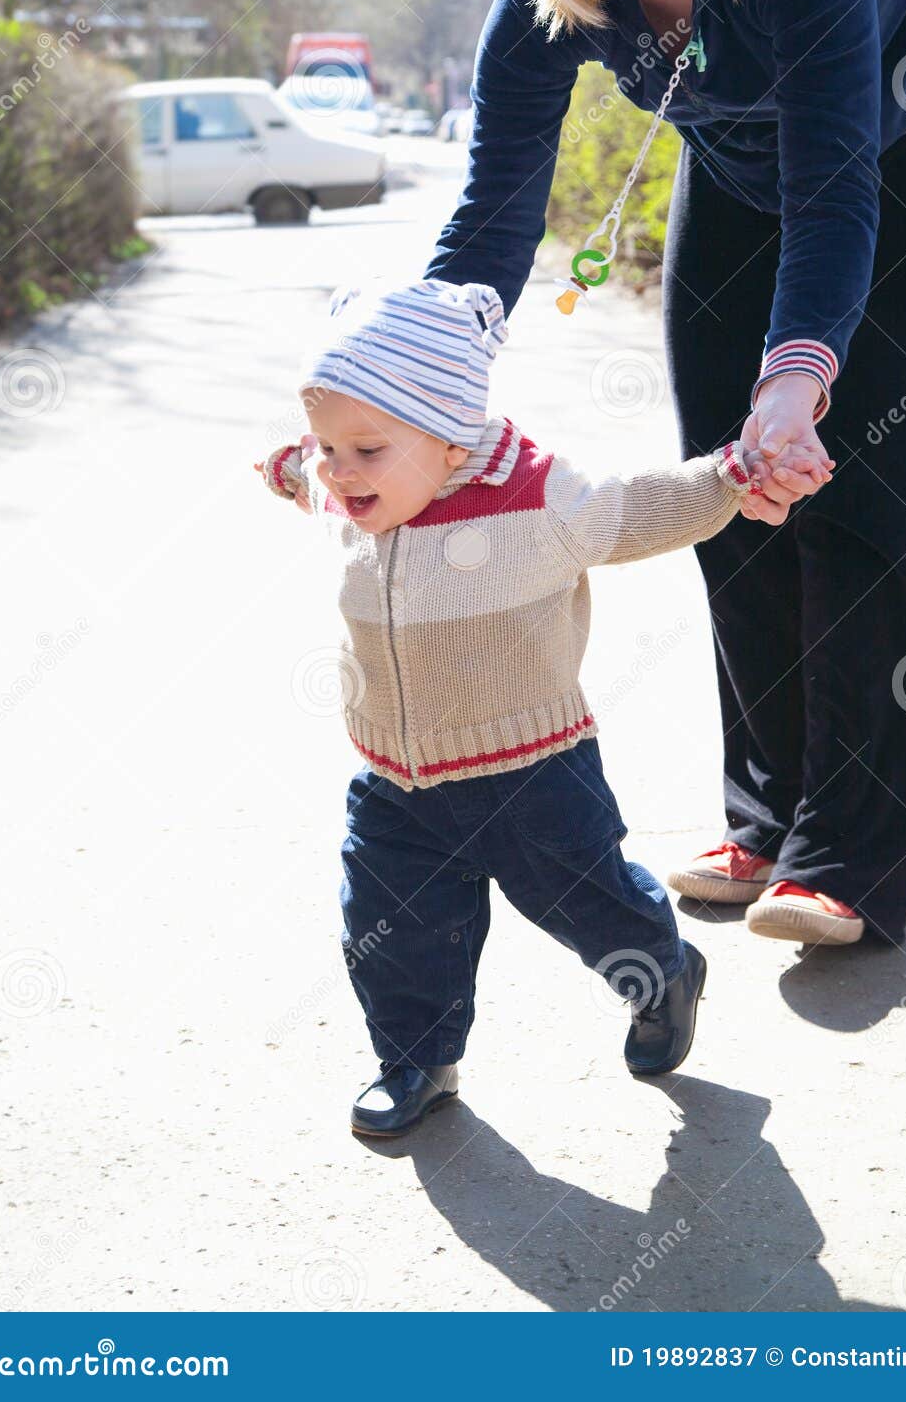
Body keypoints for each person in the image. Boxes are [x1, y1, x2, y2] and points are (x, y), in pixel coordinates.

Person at [420, 0, 906, 948]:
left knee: (859, 489)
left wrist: (798, 378)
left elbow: (835, 187)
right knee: (730, 491)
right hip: (738, 173)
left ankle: (855, 853)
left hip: (902, 164)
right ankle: (771, 810)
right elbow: (491, 208)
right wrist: (408, 393)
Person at [254, 278, 825, 1137]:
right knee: (391, 927)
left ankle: (661, 972)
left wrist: (729, 476)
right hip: (395, 780)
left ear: (452, 443)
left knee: (592, 905)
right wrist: (293, 468)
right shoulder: (349, 487)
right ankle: (415, 1057)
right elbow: (311, 469)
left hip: (534, 774)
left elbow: (645, 507)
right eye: (328, 447)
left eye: (363, 451)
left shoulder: (542, 498)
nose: (338, 471)